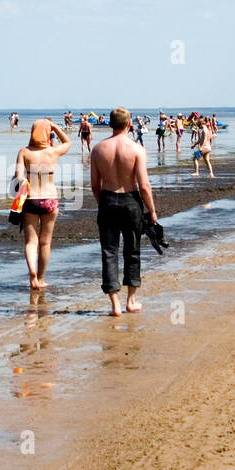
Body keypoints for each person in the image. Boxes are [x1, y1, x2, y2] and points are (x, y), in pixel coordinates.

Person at [90, 107, 158, 316]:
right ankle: (131, 300)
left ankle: (115, 305)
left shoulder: (98, 149)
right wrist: (152, 211)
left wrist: (104, 201)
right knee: (132, 250)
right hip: (131, 200)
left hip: (108, 198)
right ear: (129, 124)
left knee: (109, 252)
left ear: (110, 124)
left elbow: (95, 185)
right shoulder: (137, 149)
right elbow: (144, 185)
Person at [15, 119, 72, 289]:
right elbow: (68, 142)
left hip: (31, 199)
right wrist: (55, 126)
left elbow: (18, 176)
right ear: (47, 133)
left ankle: (32, 275)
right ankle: (40, 278)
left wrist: (23, 181)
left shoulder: (24, 152)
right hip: (50, 199)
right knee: (45, 242)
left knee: (31, 242)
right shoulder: (52, 152)